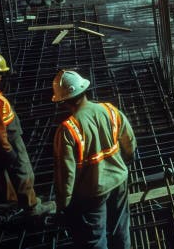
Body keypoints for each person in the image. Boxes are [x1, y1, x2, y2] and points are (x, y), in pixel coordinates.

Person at [52, 69, 136, 249]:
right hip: (119, 180)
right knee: (120, 229)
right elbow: (128, 140)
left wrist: (63, 205)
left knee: (95, 238)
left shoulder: (68, 129)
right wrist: (126, 160)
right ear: (84, 91)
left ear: (64, 100)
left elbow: (66, 174)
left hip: (92, 191)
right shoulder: (109, 110)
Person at [0, 53, 55, 216]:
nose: (1, 77)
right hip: (7, 140)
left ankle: (15, 203)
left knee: (5, 174)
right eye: (0, 74)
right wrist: (8, 150)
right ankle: (32, 207)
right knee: (23, 171)